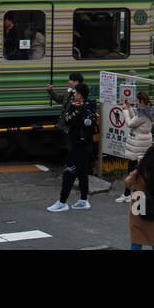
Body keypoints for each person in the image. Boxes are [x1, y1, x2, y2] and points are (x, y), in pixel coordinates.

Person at [48, 82, 97, 212]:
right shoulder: (80, 106)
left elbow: (72, 120)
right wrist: (75, 110)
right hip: (82, 144)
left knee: (69, 172)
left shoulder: (88, 107)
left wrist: (77, 110)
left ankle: (62, 202)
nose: (73, 94)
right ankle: (83, 200)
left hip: (79, 145)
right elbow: (67, 118)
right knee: (82, 173)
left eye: (75, 93)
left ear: (80, 95)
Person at [115, 92, 154, 203]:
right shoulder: (148, 112)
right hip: (143, 144)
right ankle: (132, 193)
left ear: (141, 102)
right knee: (138, 169)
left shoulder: (143, 115)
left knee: (133, 170)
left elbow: (130, 123)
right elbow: (135, 119)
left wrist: (125, 110)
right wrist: (130, 108)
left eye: (137, 101)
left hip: (138, 144)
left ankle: (130, 194)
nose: (136, 102)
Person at [126, 145, 154, 250]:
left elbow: (127, 183)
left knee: (137, 235)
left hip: (138, 199)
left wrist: (138, 167)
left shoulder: (140, 172)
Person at [46, 73, 84, 156]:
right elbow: (59, 99)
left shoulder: (80, 94)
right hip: (66, 124)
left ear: (76, 82)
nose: (68, 82)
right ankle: (70, 164)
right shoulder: (68, 92)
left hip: (73, 125)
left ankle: (73, 165)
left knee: (73, 146)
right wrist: (50, 91)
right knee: (69, 145)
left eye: (70, 80)